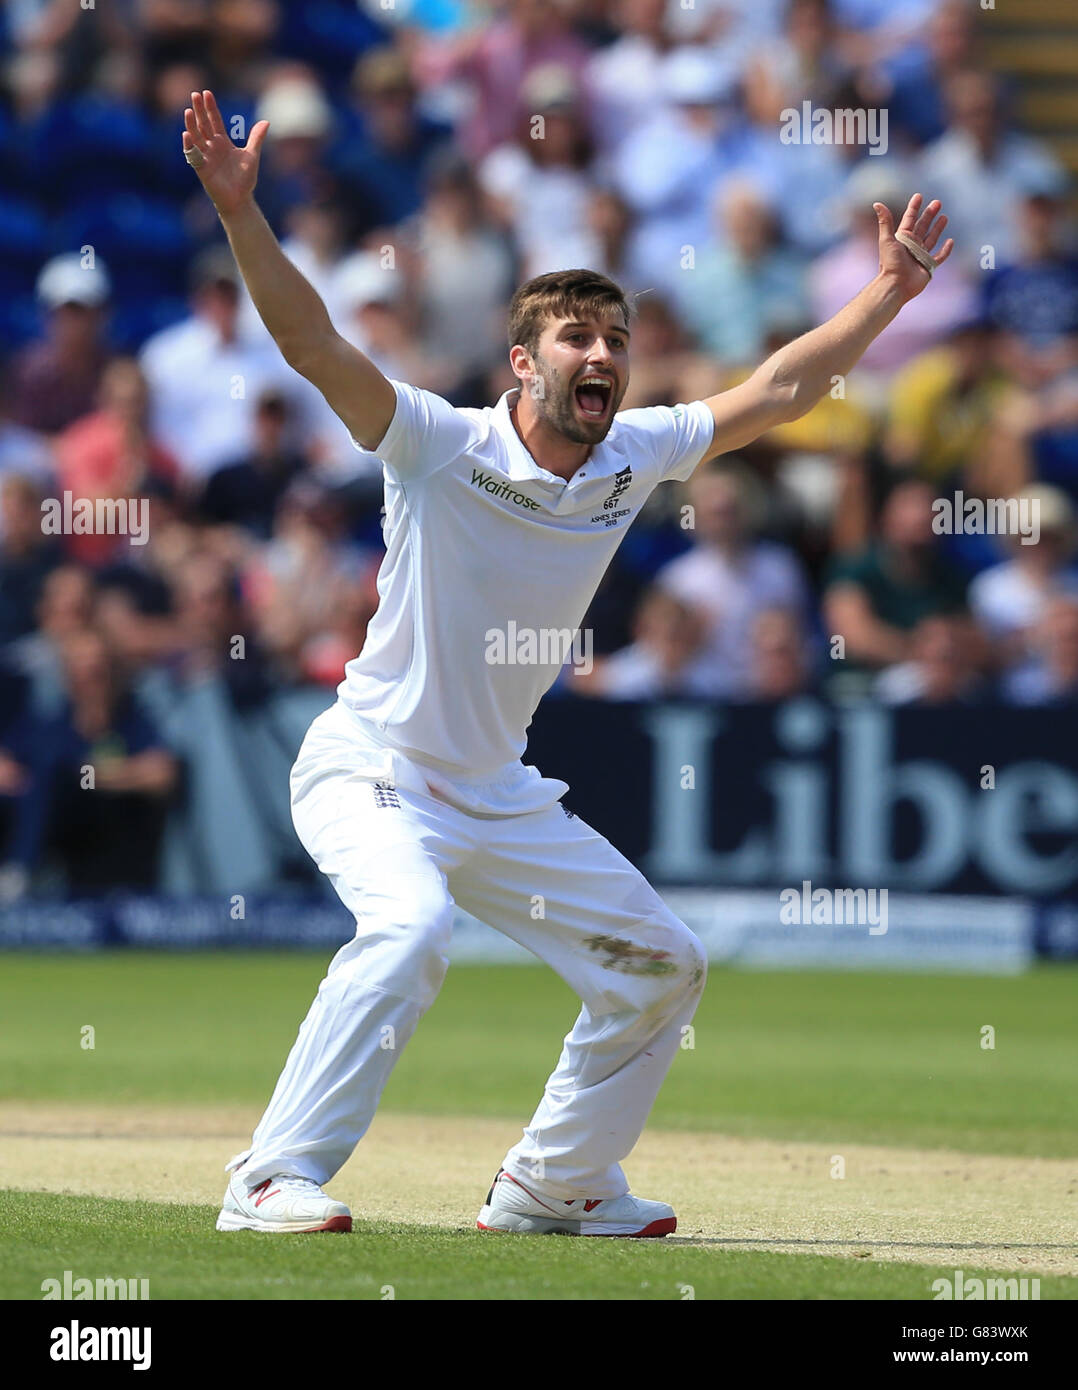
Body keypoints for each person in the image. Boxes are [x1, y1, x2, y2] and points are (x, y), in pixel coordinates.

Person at [182, 87, 953, 1237]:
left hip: (494, 793)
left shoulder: (631, 451)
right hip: (373, 767)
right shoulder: (437, 442)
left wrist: (887, 292)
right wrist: (245, 217)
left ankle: (554, 1181)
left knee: (659, 964)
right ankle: (268, 1175)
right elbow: (310, 344)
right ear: (521, 362)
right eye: (577, 339)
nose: (603, 356)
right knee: (408, 930)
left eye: (616, 341)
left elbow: (781, 389)